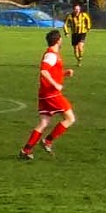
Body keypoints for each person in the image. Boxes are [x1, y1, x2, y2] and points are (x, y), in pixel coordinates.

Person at [20, 30, 75, 159]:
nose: (62, 41)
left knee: (44, 122)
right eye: (61, 38)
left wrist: (64, 73)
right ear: (58, 40)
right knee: (70, 118)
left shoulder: (53, 54)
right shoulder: (51, 55)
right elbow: (44, 71)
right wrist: (55, 85)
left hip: (45, 93)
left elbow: (51, 72)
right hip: (51, 93)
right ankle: (48, 141)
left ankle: (26, 150)